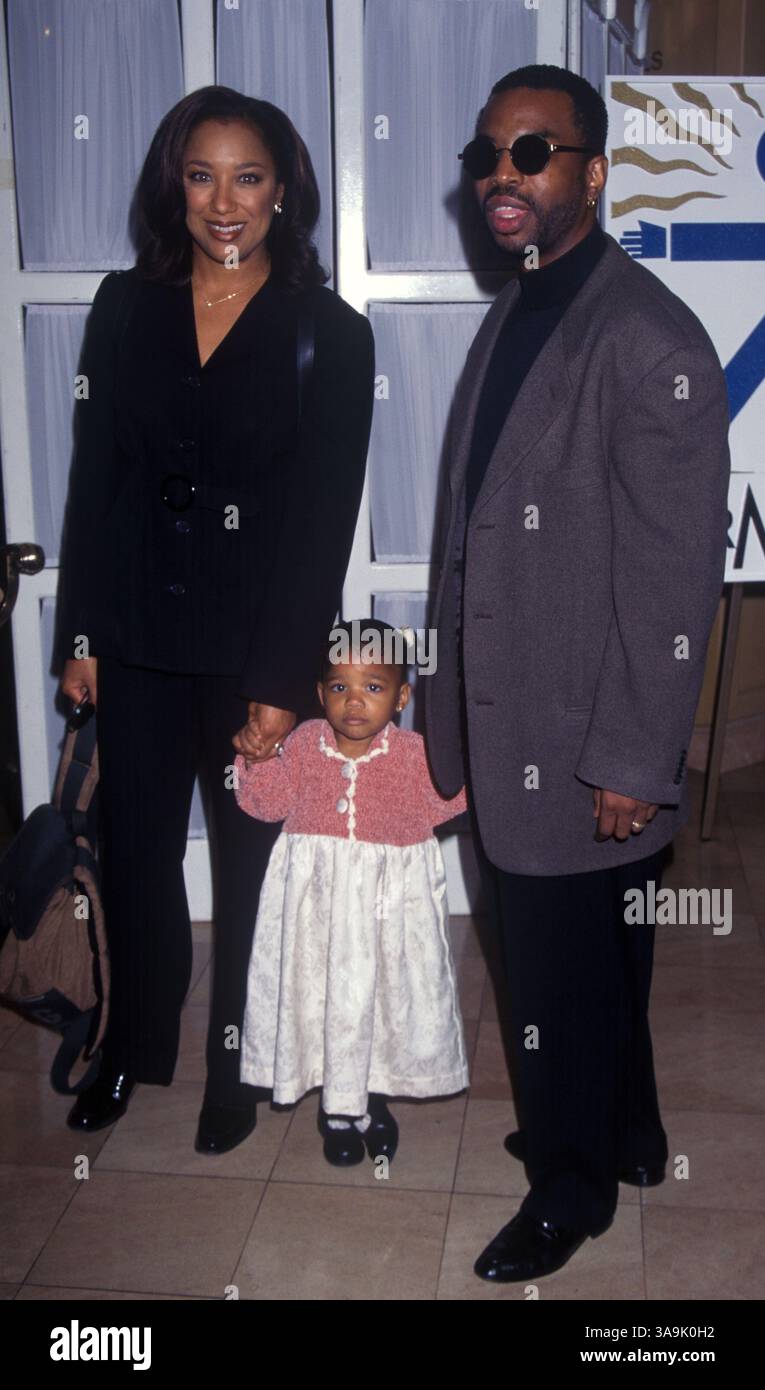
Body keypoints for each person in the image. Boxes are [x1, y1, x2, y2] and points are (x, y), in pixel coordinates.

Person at [423, 65, 731, 1280]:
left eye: (533, 150)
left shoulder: (648, 336)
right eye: (487, 154)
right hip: (523, 717)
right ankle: (627, 1132)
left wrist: (632, 759)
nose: (502, 173)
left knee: (552, 969)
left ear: (594, 173)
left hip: (583, 732)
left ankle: (570, 1189)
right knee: (602, 957)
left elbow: (671, 578)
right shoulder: (528, 301)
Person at [52, 86, 375, 1155]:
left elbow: (323, 522)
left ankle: (235, 1062)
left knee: (251, 871)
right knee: (135, 856)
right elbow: (96, 481)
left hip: (252, 652)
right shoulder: (123, 308)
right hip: (138, 639)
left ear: (285, 191)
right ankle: (128, 1046)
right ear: (173, 184)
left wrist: (281, 681)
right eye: (201, 175)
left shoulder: (330, 332)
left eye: (247, 177)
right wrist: (82, 638)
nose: (223, 202)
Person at [232, 620, 469, 1166]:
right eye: (340, 687)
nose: (354, 701)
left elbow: (456, 795)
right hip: (316, 915)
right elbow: (267, 805)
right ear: (320, 695)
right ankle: (336, 1110)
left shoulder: (417, 755)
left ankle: (370, 1095)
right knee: (324, 999)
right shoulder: (303, 745)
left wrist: (477, 746)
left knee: (378, 1001)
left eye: (374, 686)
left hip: (387, 919)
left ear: (402, 697)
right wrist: (259, 759)